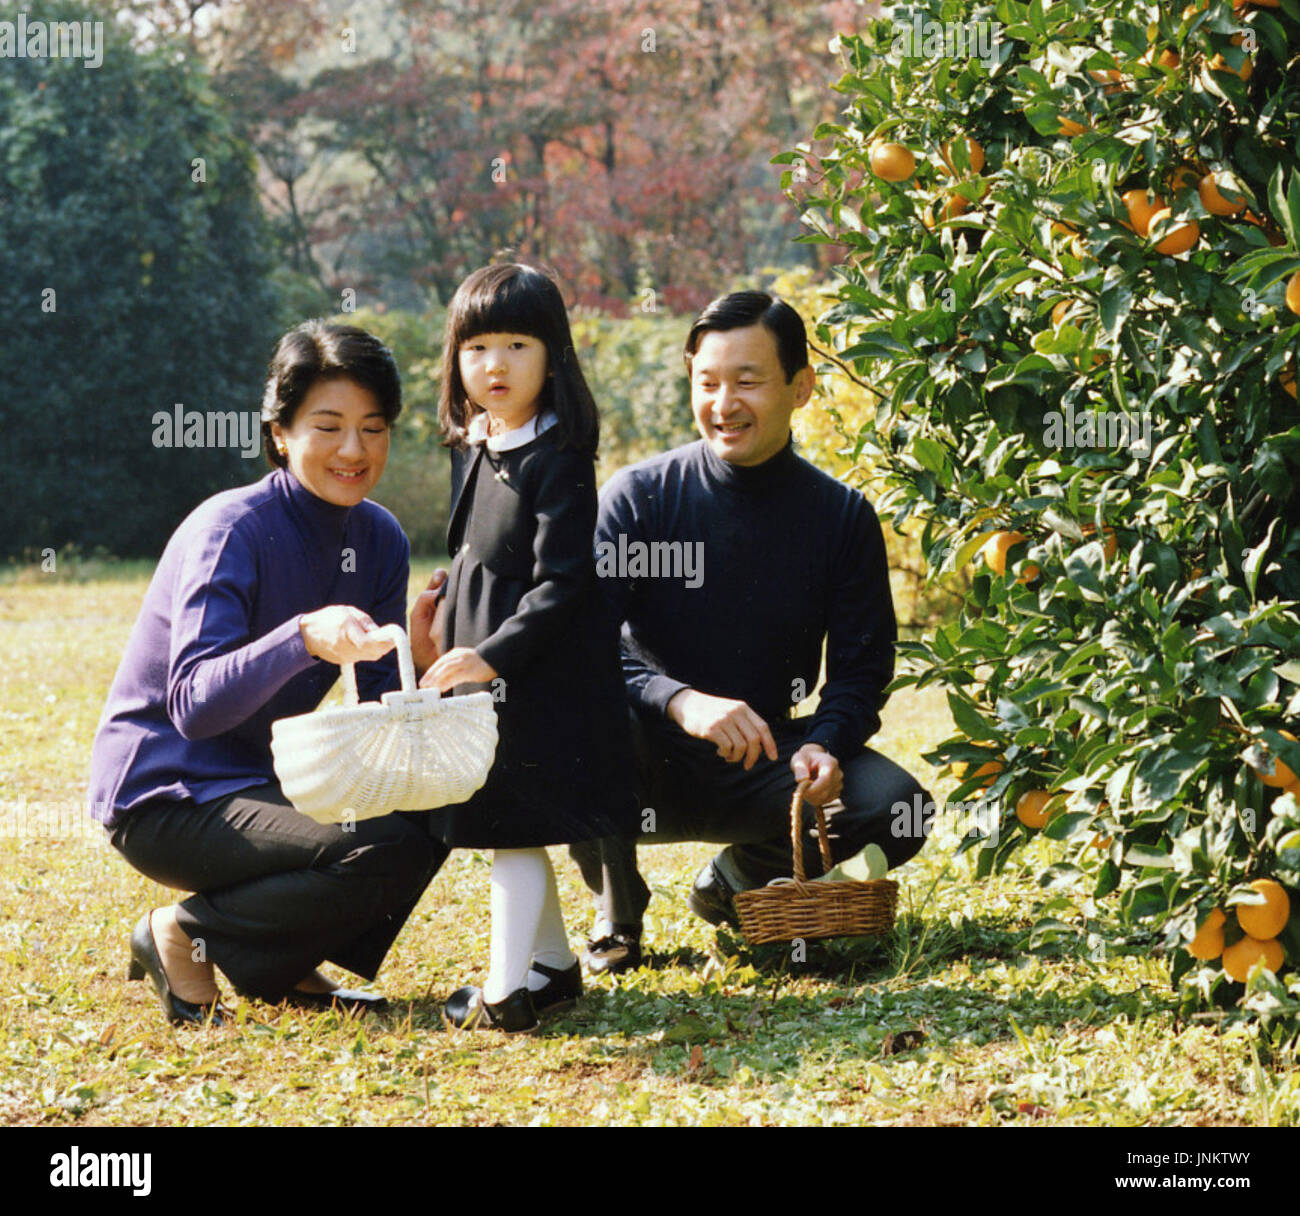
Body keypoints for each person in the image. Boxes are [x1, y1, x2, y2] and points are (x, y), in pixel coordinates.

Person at [89, 321, 448, 1025]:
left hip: (260, 782)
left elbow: (380, 714)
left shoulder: (380, 538)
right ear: (279, 433)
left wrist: (423, 663)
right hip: (167, 793)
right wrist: (301, 638)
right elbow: (192, 705)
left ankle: (278, 963)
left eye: (374, 428)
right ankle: (184, 934)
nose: (354, 450)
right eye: (329, 426)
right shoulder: (232, 529)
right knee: (375, 840)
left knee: (430, 811)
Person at [570, 291, 931, 972]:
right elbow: (587, 644)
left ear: (801, 388)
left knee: (900, 805)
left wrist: (825, 744)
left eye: (747, 381)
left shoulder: (841, 518)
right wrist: (683, 700)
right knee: (576, 723)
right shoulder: (640, 497)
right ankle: (617, 912)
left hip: (766, 762)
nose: (724, 403)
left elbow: (861, 671)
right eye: (707, 383)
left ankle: (735, 881)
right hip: (641, 756)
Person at [420, 263, 638, 1033]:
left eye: (518, 344)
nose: (496, 364)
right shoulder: (477, 444)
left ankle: (504, 994)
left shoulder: (558, 458)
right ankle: (552, 969)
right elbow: (480, 555)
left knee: (509, 828)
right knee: (503, 823)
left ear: (553, 356)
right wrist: (445, 615)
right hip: (484, 669)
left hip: (540, 677)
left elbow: (564, 584)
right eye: (477, 347)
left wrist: (492, 656)